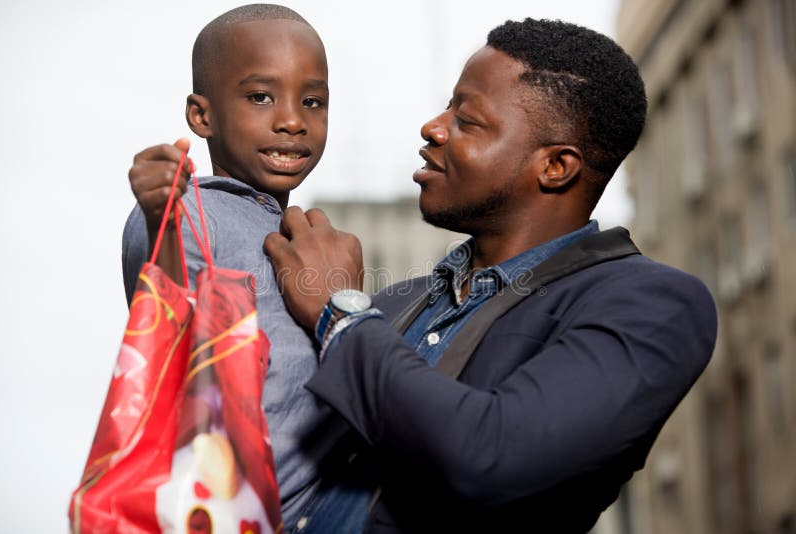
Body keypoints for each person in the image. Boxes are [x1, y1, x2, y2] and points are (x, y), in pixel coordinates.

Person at [264, 17, 718, 533]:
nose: (432, 127)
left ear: (555, 166)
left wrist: (340, 313)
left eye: (468, 120)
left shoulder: (652, 304)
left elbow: (491, 455)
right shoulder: (391, 306)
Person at [121, 5, 347, 530]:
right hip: (226, 507)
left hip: (317, 508)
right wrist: (162, 213)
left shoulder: (309, 235)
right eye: (261, 97)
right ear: (202, 116)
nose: (292, 119)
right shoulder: (195, 211)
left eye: (312, 101)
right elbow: (167, 299)